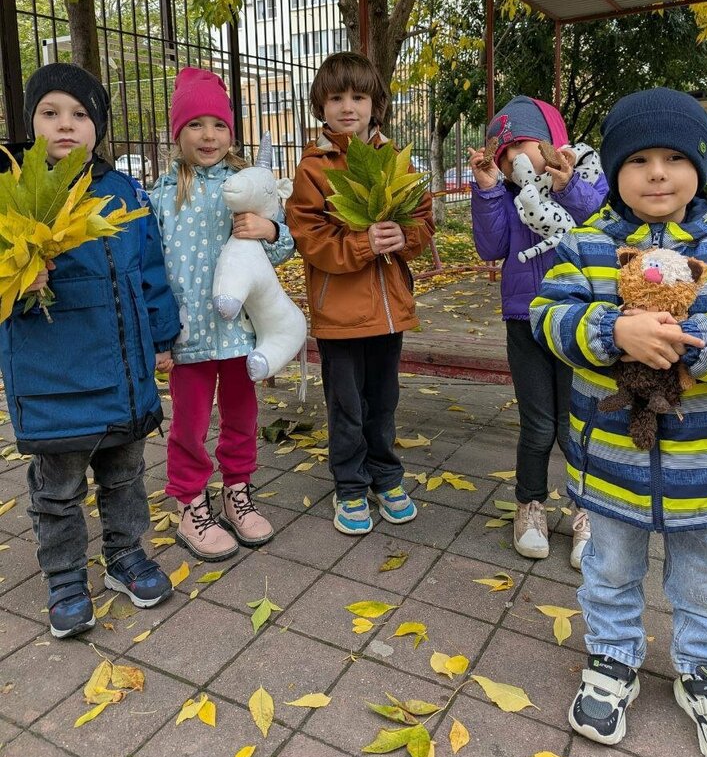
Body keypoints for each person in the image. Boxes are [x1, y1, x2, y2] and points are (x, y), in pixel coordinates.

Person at [531, 88, 707, 757]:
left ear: (701, 165)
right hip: (610, 455)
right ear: (612, 171)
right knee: (608, 566)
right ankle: (611, 659)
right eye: (637, 160)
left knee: (703, 575)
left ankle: (705, 671)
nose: (656, 173)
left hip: (705, 460)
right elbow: (549, 319)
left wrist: (693, 343)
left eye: (673, 157)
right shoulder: (584, 244)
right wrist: (613, 331)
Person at [0, 63, 181, 639]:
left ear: (98, 125)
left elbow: (149, 267)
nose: (66, 126)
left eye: (80, 115)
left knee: (125, 473)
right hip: (54, 375)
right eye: (50, 113)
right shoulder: (11, 195)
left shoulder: (122, 190)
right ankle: (66, 578)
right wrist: (19, 273)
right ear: (30, 122)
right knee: (58, 488)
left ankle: (126, 556)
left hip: (124, 369)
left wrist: (161, 336)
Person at [286, 52, 434, 535]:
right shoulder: (313, 168)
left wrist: (404, 237)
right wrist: (361, 243)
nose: (348, 107)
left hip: (389, 311)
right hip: (340, 313)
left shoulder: (395, 160)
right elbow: (309, 238)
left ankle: (386, 476)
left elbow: (423, 220)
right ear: (320, 106)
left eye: (358, 96)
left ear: (376, 104)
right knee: (347, 405)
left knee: (383, 399)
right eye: (336, 98)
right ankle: (350, 485)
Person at [150, 67, 295, 561]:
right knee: (188, 424)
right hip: (188, 336)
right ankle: (191, 502)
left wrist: (269, 232)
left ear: (231, 132)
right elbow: (151, 267)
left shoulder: (247, 184)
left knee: (242, 416)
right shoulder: (161, 197)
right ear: (177, 133)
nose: (208, 135)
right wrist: (159, 335)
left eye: (218, 124)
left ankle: (237, 489)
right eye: (195, 124)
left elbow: (283, 247)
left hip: (239, 332)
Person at [468, 95, 608, 568]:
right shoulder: (506, 195)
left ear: (551, 144)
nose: (512, 161)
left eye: (520, 147)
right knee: (538, 424)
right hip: (524, 321)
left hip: (577, 321)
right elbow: (491, 248)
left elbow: (603, 225)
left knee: (576, 424)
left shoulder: (585, 177)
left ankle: (588, 508)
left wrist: (567, 188)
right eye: (502, 156)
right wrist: (488, 190)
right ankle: (529, 505)